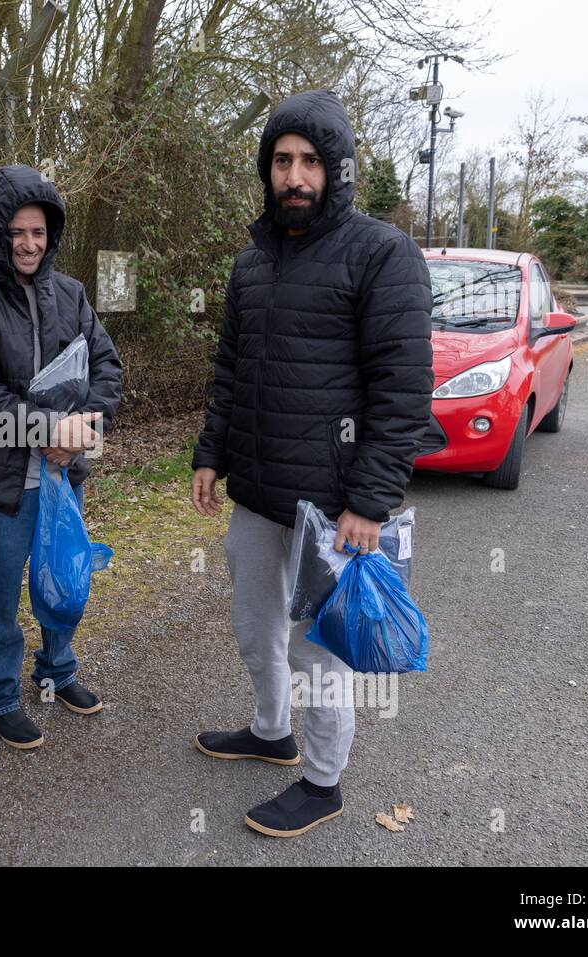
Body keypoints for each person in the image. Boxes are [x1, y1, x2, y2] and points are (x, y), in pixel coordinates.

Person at [190, 89, 433, 836]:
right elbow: (232, 368)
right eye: (281, 160)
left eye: (309, 161)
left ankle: (323, 780)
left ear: (337, 169)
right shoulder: (251, 263)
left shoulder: (382, 254)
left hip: (333, 503)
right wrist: (210, 452)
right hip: (257, 488)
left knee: (317, 645)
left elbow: (402, 389)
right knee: (253, 621)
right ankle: (270, 730)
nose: (294, 176)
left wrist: (369, 498)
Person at [0, 164, 122, 750]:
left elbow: (107, 367)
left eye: (39, 232)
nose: (28, 243)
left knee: (61, 575)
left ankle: (58, 669)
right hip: (4, 481)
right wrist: (45, 427)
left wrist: (88, 424)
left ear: (52, 235)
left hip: (66, 474)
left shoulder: (71, 294)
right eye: (17, 231)